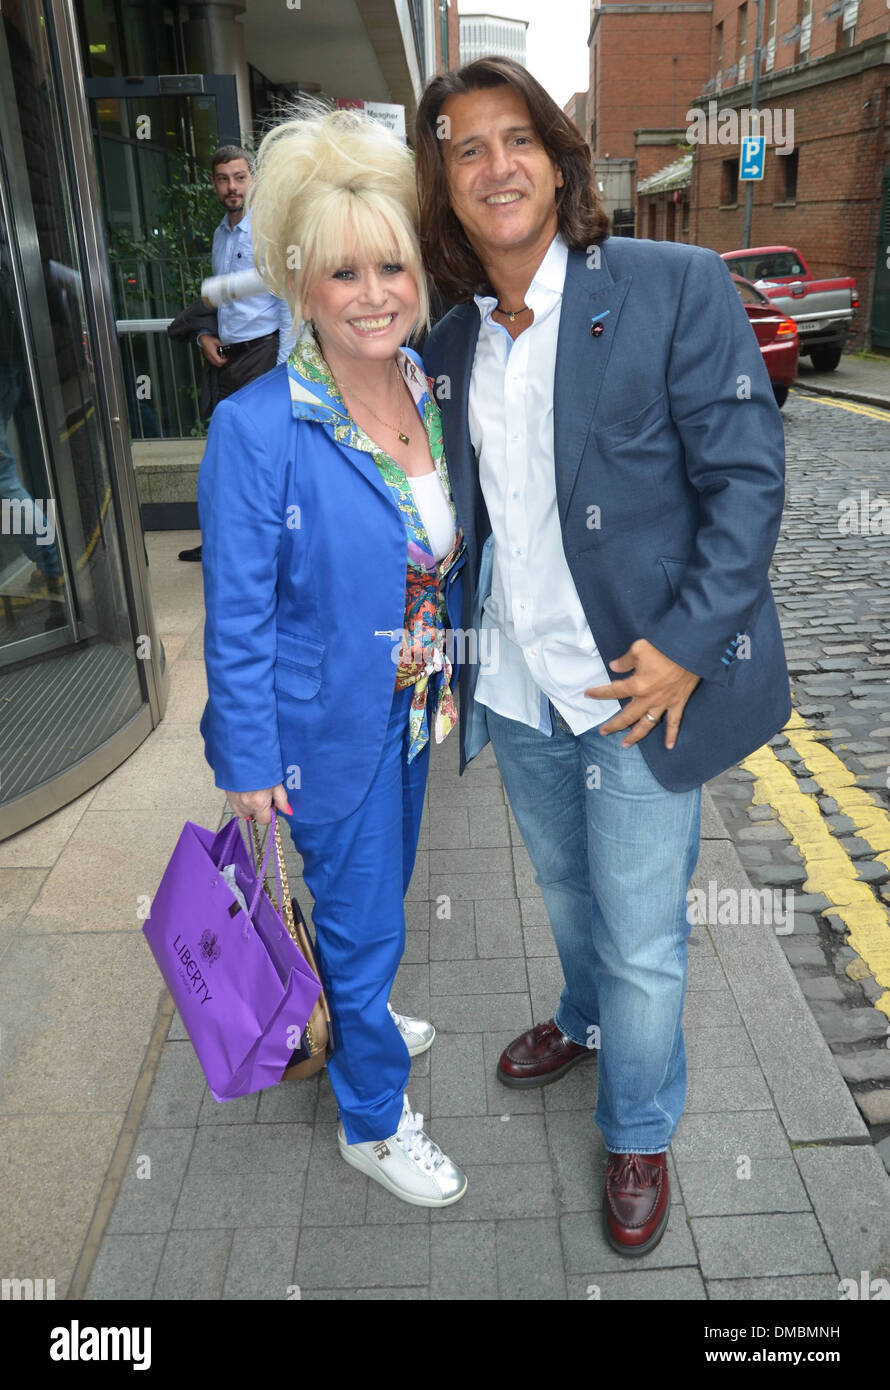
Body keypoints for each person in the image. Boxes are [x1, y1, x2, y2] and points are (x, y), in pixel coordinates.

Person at [416, 57, 790, 1255]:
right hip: (517, 683)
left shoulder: (670, 286)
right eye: (465, 149)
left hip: (638, 690)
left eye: (515, 138)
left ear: (556, 158)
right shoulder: (447, 341)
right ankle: (583, 1021)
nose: (495, 166)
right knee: (569, 892)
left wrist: (684, 648)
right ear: (443, 184)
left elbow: (745, 481)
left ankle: (635, 1127)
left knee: (640, 932)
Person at [197, 104, 468, 1208]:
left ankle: (363, 1004)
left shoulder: (426, 386)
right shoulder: (258, 426)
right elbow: (236, 614)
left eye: (390, 267)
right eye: (343, 271)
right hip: (320, 726)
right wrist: (246, 758)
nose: (372, 293)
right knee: (360, 916)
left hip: (414, 707)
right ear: (300, 284)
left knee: (378, 895)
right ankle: (373, 1116)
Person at [179, 144, 296, 562]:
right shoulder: (220, 235)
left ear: (253, 180)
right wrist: (204, 336)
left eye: (240, 177)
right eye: (223, 179)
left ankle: (267, 547)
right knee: (225, 456)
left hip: (262, 356)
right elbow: (221, 302)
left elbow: (289, 306)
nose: (232, 186)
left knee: (262, 455)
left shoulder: (268, 232)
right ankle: (221, 542)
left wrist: (282, 371)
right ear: (213, 184)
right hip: (228, 359)